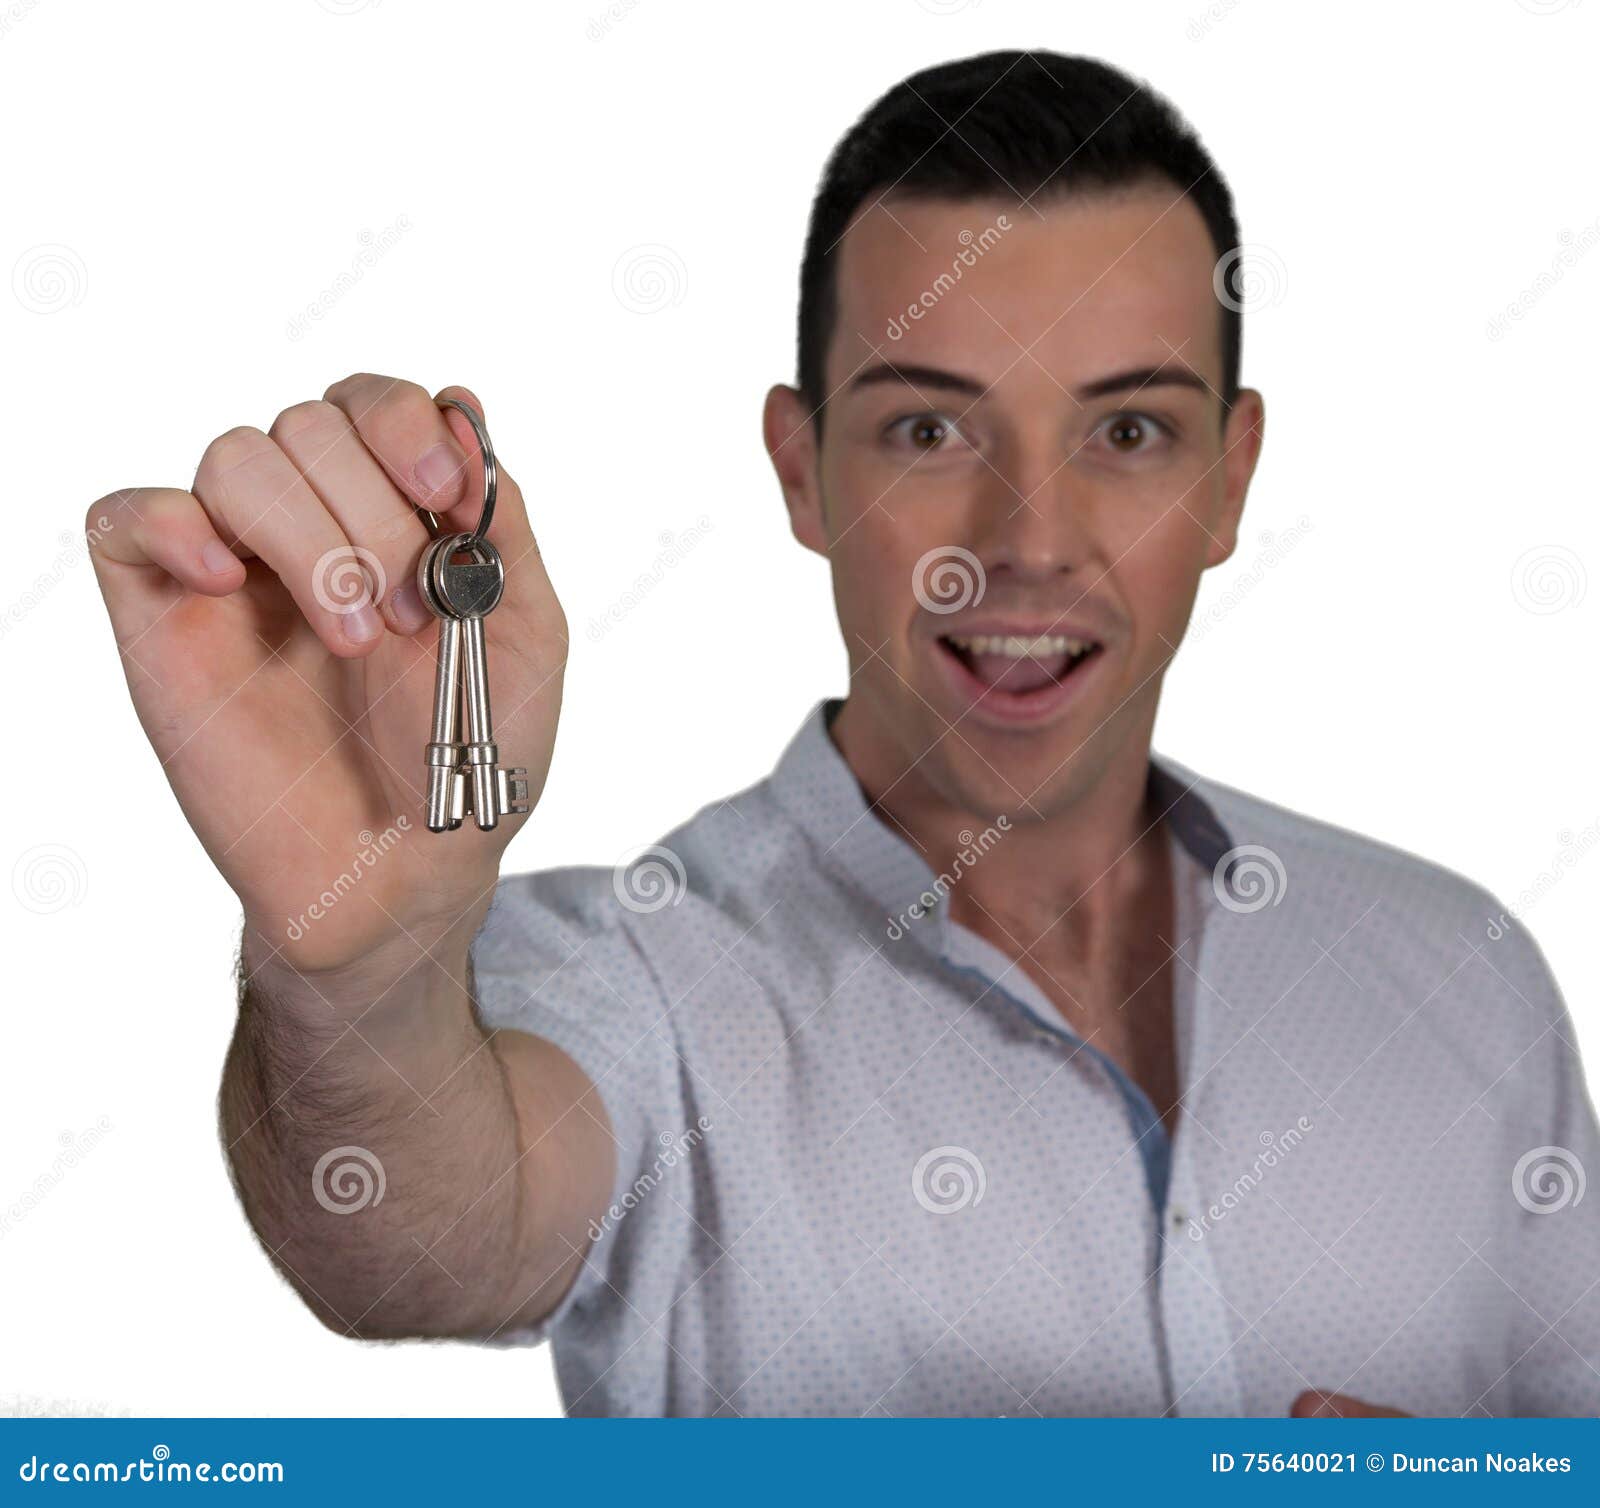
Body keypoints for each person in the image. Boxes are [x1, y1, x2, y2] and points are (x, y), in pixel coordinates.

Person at [87, 49, 1599, 1418]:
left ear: (1229, 475)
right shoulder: (638, 985)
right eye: (929, 429)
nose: (1026, 539)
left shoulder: (1463, 976)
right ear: (801, 472)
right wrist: (358, 960)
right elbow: (418, 1242)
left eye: (1128, 431)